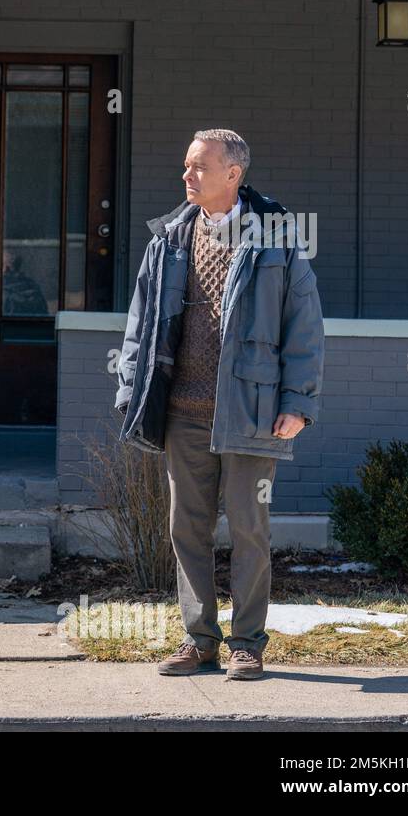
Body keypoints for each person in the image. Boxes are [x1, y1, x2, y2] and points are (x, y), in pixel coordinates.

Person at [115, 129, 324, 680]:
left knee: (250, 530)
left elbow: (304, 326)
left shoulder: (276, 237)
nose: (187, 176)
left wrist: (297, 403)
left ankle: (247, 644)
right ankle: (197, 639)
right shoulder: (169, 238)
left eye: (199, 167)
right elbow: (141, 323)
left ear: (233, 174)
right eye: (186, 165)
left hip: (252, 411)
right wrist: (130, 387)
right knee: (187, 527)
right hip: (183, 411)